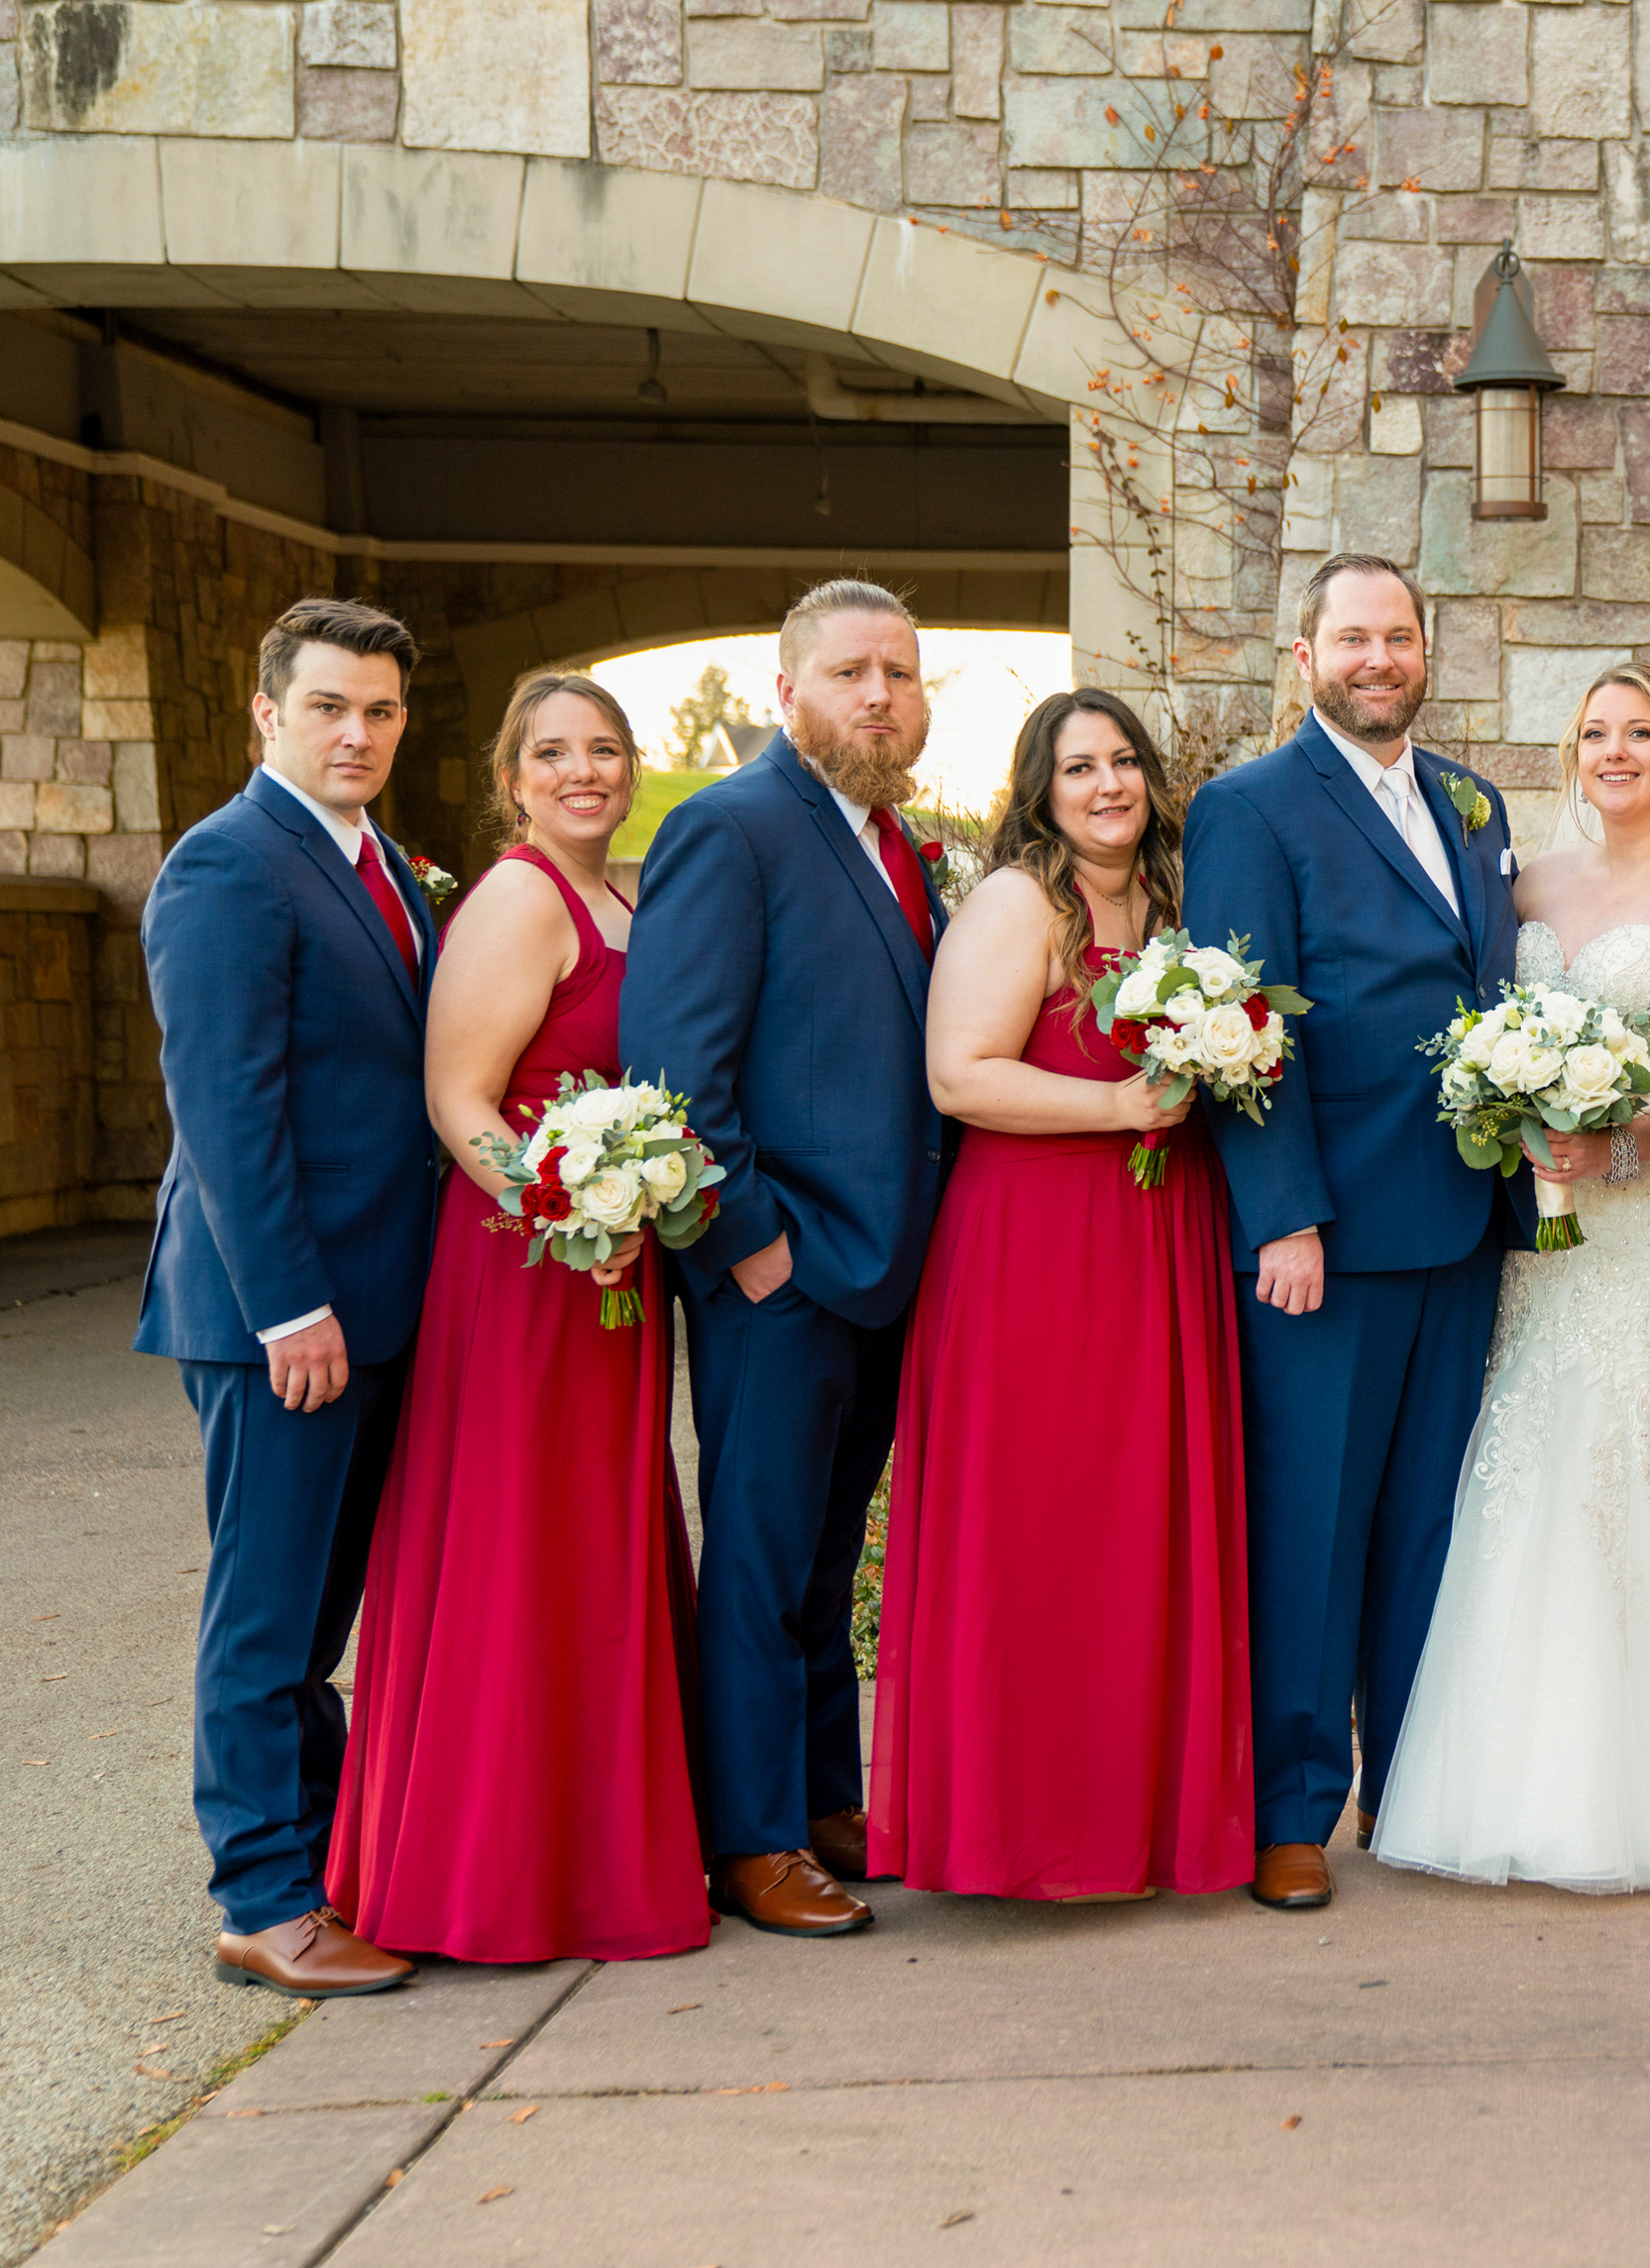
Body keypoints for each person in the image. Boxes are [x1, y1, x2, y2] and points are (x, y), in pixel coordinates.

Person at [1374, 662, 1650, 1894]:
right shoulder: (1525, 884)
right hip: (1547, 1238)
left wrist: (1627, 1143)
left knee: (1644, 1465)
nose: (1615, 752)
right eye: (1595, 733)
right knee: (1533, 1455)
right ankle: (1510, 1786)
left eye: (1639, 733)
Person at [325, 676, 711, 1963]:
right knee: (518, 1540)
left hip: (613, 1271)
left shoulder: (632, 897)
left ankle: (596, 1863)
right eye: (553, 753)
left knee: (595, 1540)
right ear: (514, 776)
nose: (583, 771)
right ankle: (483, 1874)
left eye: (604, 749)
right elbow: (462, 1099)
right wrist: (572, 1204)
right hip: (523, 1271)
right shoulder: (514, 900)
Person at [1180, 553, 1524, 1912]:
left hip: (1461, 1222)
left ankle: (1408, 1779)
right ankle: (1290, 1806)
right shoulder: (1249, 808)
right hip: (1328, 1236)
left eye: (1398, 637)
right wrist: (1286, 1217)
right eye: (1352, 638)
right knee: (1311, 1525)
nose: (1377, 659)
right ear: (1307, 655)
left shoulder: (1470, 800)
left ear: (1425, 651)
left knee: (1424, 1522)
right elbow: (1242, 1022)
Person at [867, 691, 1252, 1901]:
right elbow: (957, 1074)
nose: (1107, 786)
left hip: (1160, 1238)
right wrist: (1118, 1107)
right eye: (1078, 767)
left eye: (1124, 761)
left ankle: (1136, 1823)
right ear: (1038, 790)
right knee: (1041, 1521)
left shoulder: (1180, 909)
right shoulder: (1019, 903)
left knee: (1141, 1518)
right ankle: (1016, 1831)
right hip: (1036, 1246)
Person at [621, 579, 952, 1939]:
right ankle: (749, 1840)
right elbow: (676, 1079)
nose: (879, 694)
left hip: (883, 1271)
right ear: (787, 693)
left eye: (900, 671)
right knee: (759, 1562)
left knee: (824, 1560)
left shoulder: (901, 849)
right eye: (850, 672)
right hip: (783, 1275)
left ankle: (822, 1799)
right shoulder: (729, 827)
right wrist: (750, 1249)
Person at [139, 598, 445, 1998]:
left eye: (378, 709)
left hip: (373, 1301)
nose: (358, 732)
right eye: (329, 705)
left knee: (320, 1611)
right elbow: (225, 1112)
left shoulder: (387, 868)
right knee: (266, 1614)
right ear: (267, 713)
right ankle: (262, 1897)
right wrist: (288, 1311)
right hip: (284, 1319)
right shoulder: (226, 869)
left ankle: (320, 1860)